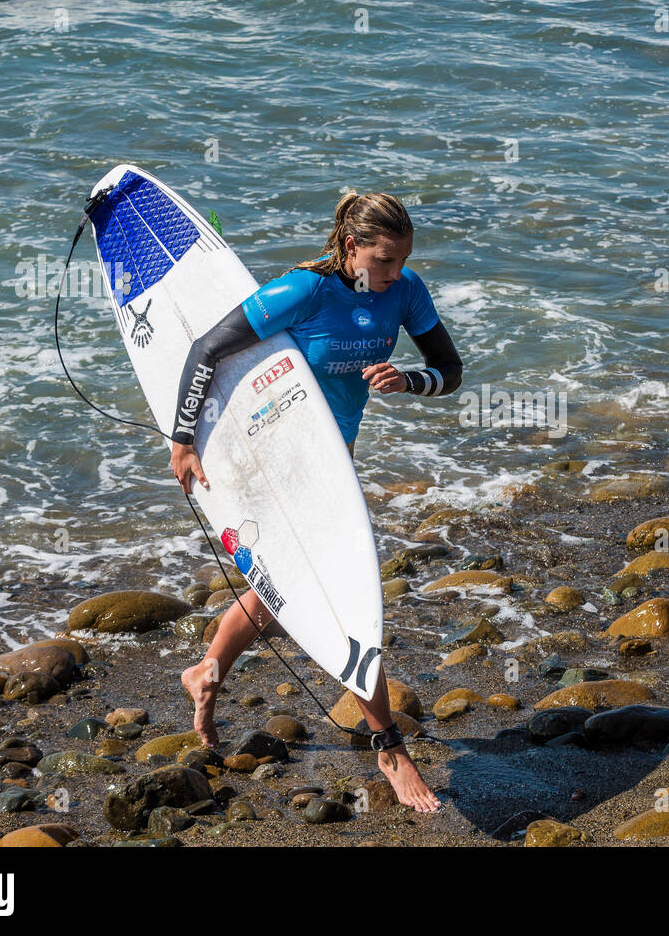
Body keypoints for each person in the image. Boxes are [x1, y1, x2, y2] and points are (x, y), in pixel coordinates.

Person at [172, 191, 461, 813]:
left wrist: (410, 379)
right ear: (351, 247)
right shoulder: (305, 290)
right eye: (384, 261)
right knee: (333, 587)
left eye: (403, 259)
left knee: (282, 585)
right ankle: (388, 745)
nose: (394, 274)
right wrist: (182, 437)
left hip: (334, 464)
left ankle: (208, 672)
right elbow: (206, 349)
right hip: (275, 462)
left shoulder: (405, 291)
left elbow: (449, 370)